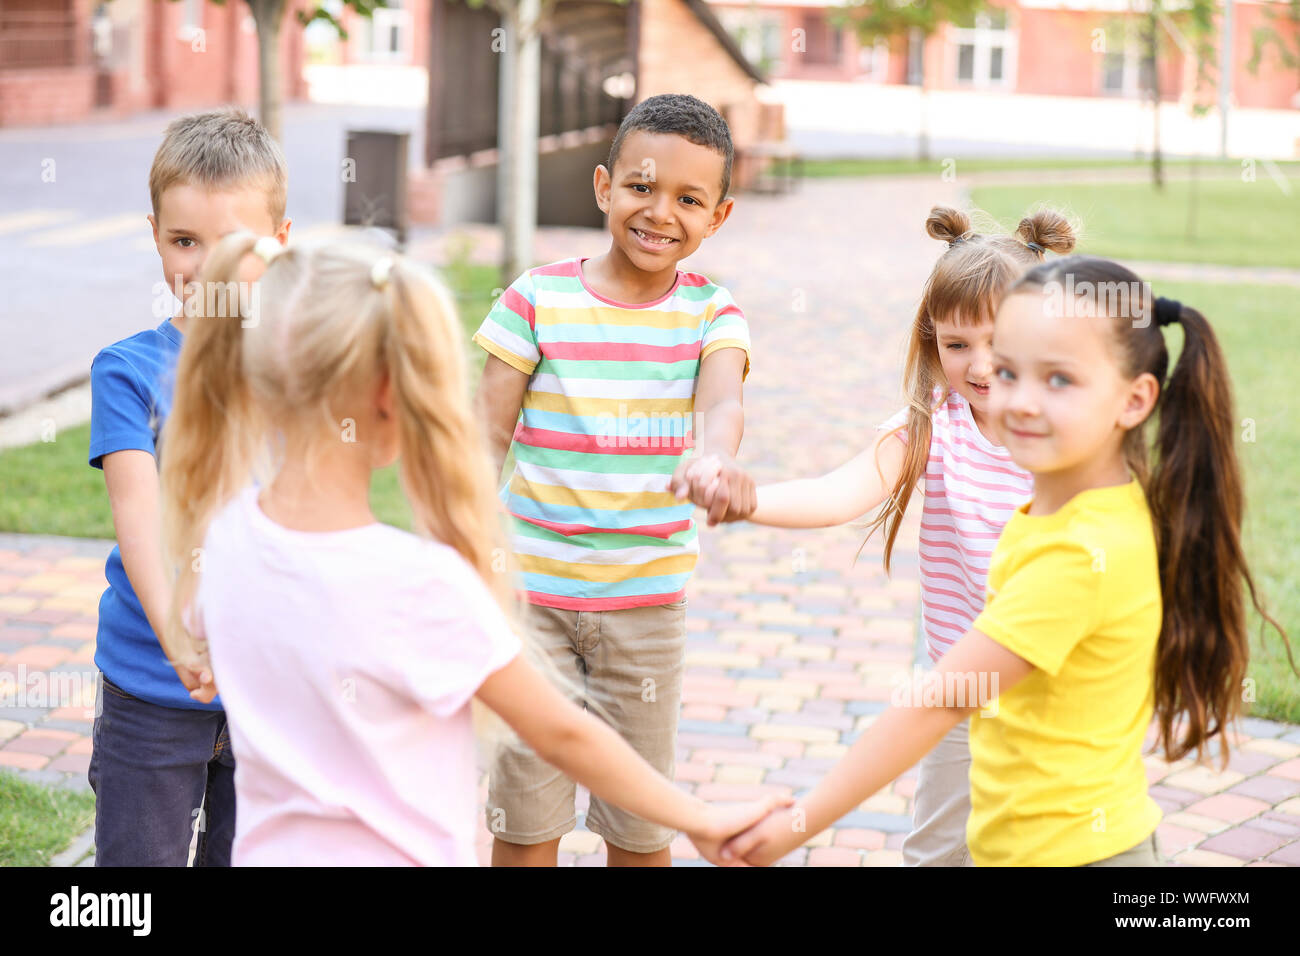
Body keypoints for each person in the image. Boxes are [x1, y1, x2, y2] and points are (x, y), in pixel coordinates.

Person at [157, 234, 785, 866]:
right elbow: (562, 732)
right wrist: (701, 818)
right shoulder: (420, 585)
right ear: (390, 396)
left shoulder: (223, 542)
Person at [720, 254, 1294, 867]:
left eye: (1059, 380)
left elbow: (939, 700)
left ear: (1134, 400)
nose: (1015, 398)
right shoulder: (1074, 508)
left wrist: (797, 824)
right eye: (1011, 371)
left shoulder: (1080, 552)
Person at [680, 205, 1075, 865]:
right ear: (931, 343)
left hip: (1052, 686)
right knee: (940, 847)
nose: (978, 366)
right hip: (958, 680)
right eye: (957, 345)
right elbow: (839, 493)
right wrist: (747, 502)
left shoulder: (1071, 436)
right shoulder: (931, 427)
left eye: (998, 344)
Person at [472, 93, 754, 866]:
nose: (659, 213)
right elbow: (481, 437)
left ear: (717, 216)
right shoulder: (536, 298)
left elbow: (723, 401)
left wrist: (717, 456)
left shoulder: (712, 314)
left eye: (688, 199)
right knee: (523, 823)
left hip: (647, 609)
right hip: (532, 603)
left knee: (639, 827)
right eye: (641, 187)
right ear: (604, 187)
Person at [86, 108, 290, 866]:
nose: (203, 266)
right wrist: (177, 633)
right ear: (155, 234)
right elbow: (137, 509)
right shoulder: (127, 370)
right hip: (150, 680)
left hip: (269, 685)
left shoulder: (297, 370)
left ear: (280, 241)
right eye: (183, 241)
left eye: (233, 244)